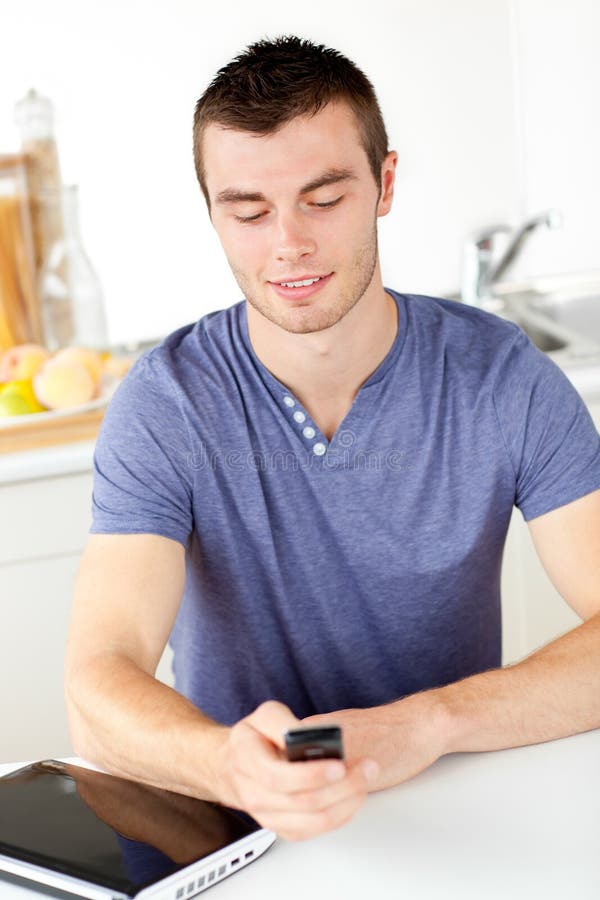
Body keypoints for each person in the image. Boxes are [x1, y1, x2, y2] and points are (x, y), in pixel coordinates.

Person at [65, 35, 600, 843]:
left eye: (323, 199)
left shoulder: (503, 379)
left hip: (458, 802)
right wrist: (224, 765)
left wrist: (426, 726)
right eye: (247, 210)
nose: (288, 243)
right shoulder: (166, 403)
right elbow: (96, 685)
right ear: (210, 209)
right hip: (237, 825)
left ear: (385, 183)